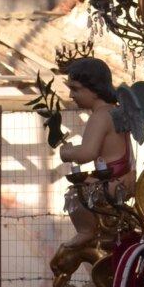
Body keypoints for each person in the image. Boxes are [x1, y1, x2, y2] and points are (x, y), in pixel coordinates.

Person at [57, 57, 136, 252]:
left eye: (75, 89)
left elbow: (87, 153)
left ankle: (86, 231)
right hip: (125, 176)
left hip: (113, 180)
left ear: (93, 89)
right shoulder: (115, 111)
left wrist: (66, 152)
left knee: (75, 195)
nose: (71, 95)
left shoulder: (100, 116)